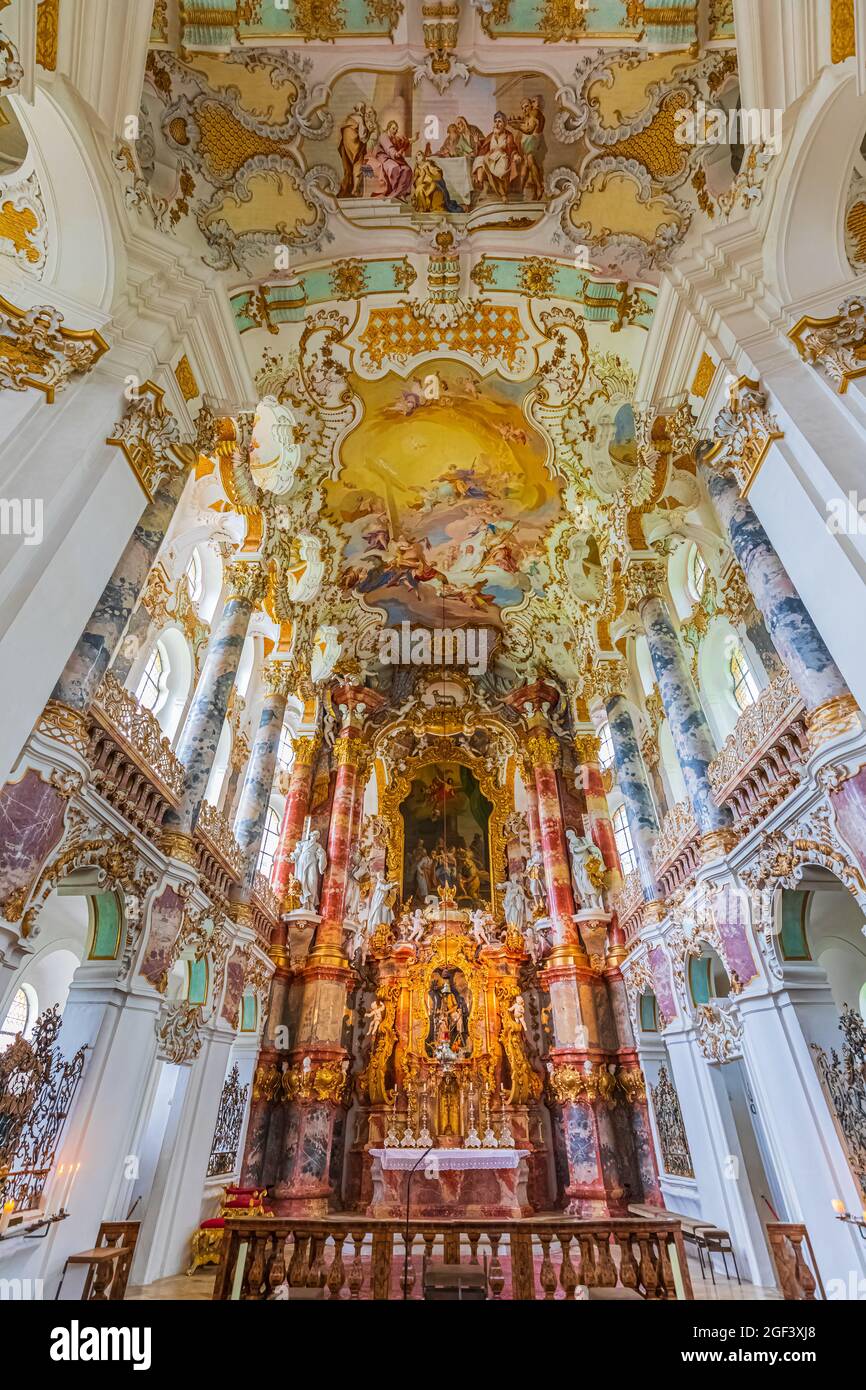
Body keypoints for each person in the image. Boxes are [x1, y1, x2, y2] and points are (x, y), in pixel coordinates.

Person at [472, 111, 520, 198]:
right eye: (495, 121)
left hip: (502, 159)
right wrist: (477, 143)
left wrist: (515, 155)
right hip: (490, 158)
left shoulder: (508, 135)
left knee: (497, 169)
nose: (497, 124)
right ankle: (480, 184)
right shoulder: (491, 135)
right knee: (480, 160)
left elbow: (512, 148)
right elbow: (484, 147)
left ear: (504, 124)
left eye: (499, 121)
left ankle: (502, 193)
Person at [289, 829, 327, 911]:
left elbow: (321, 855)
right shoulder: (303, 843)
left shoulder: (318, 846)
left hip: (312, 862)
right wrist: (293, 857)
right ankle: (305, 903)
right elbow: (297, 852)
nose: (315, 837)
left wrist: (322, 855)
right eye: (314, 835)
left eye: (317, 836)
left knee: (312, 881)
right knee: (302, 881)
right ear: (310, 835)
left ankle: (311, 903)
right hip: (302, 862)